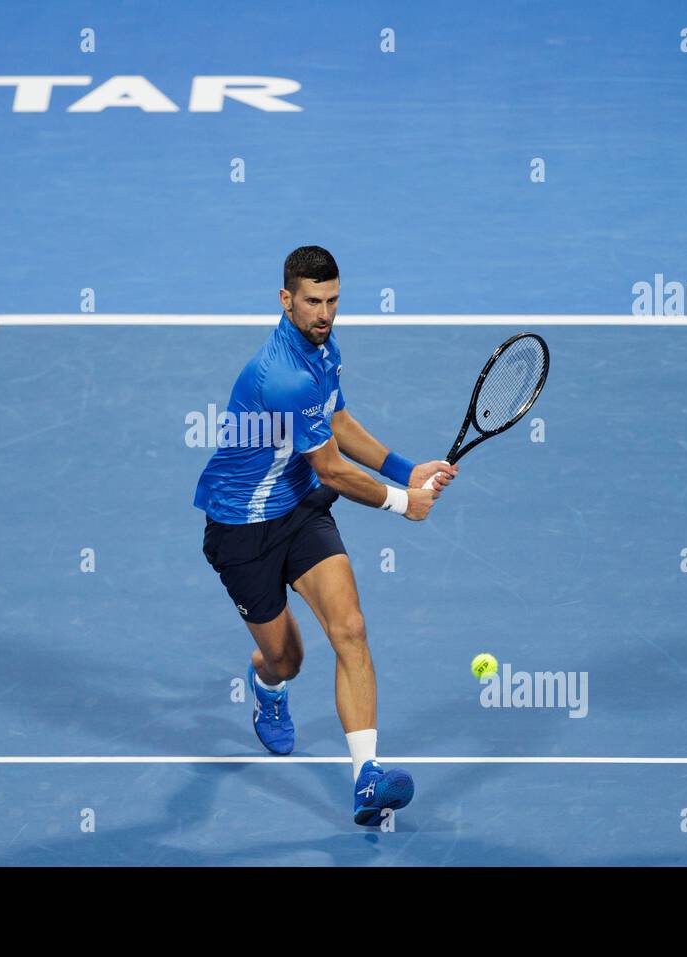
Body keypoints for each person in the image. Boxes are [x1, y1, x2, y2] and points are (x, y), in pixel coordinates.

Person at [194, 245, 456, 826]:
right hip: (241, 529)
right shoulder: (281, 375)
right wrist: (400, 503)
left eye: (333, 300)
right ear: (285, 300)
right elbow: (332, 467)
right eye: (313, 301)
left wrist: (403, 469)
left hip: (300, 509)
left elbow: (337, 422)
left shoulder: (321, 348)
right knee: (288, 659)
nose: (325, 313)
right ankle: (266, 684)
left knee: (351, 628)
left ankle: (366, 777)